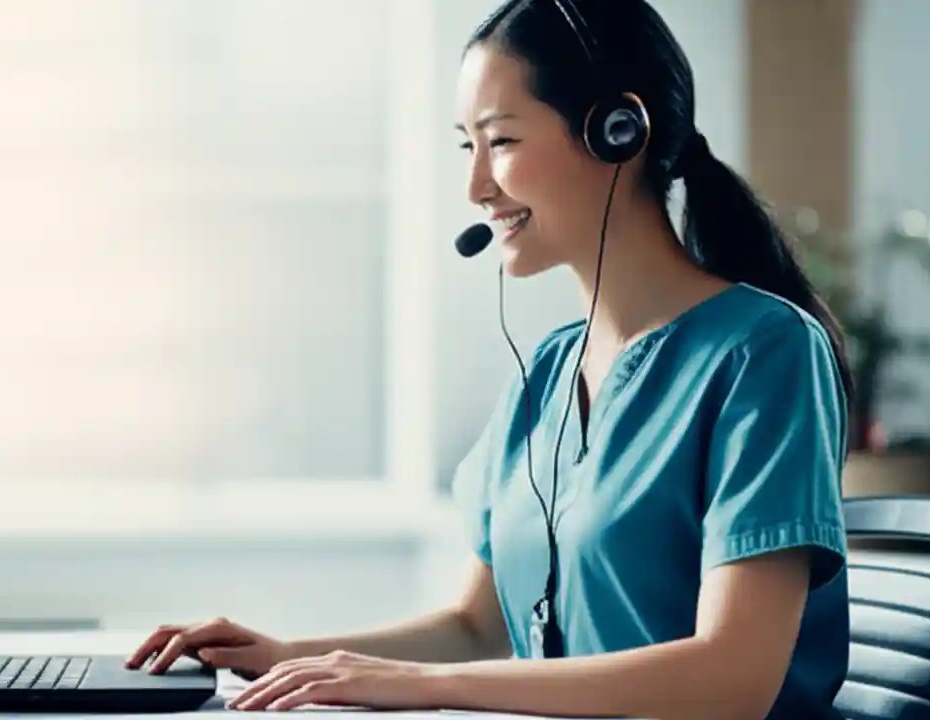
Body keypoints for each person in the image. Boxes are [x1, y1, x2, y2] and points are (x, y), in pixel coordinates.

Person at [125, 1, 853, 717]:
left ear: (617, 132)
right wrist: (289, 657)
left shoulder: (764, 350)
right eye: (465, 147)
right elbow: (480, 625)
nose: (475, 187)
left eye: (500, 142)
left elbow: (734, 679)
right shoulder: (547, 372)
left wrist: (429, 688)